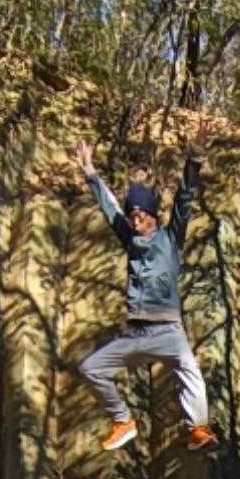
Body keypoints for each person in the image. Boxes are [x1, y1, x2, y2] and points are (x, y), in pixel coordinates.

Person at [75, 128, 217, 453]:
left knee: (189, 370)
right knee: (90, 368)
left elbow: (184, 197)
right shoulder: (130, 240)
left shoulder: (171, 238)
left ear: (153, 216)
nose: (136, 223)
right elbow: (109, 208)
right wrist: (90, 172)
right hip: (136, 335)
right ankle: (123, 421)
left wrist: (194, 157)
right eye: (133, 217)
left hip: (168, 330)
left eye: (141, 216)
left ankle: (197, 427)